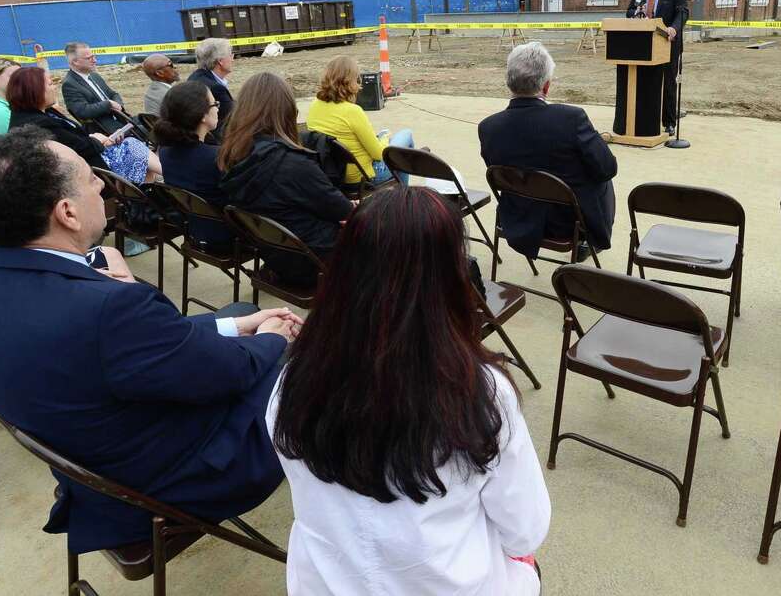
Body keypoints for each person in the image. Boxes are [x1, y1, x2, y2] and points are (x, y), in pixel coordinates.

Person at [0, 127, 301, 555]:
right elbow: (232, 372)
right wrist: (272, 336)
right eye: (89, 178)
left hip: (102, 476)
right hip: (173, 482)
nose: (102, 183)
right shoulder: (107, 308)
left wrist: (241, 328)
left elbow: (144, 349)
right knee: (324, 359)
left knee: (233, 316)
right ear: (67, 212)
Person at [269, 187, 550, 595]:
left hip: (325, 584)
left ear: (347, 266)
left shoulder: (293, 378)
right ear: (451, 276)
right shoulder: (483, 394)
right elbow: (525, 531)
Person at [478, 42, 617, 261]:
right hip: (568, 223)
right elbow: (608, 168)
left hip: (518, 219)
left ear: (509, 83)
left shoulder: (487, 128)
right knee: (601, 176)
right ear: (546, 86)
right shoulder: (571, 119)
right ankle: (594, 238)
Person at [219, 72, 353, 285]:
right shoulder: (293, 164)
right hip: (318, 261)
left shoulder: (231, 156)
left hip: (277, 257)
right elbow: (345, 211)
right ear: (287, 110)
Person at [8, 66, 161, 184]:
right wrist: (98, 140)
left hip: (88, 161)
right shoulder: (39, 123)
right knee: (133, 146)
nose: (54, 87)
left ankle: (149, 197)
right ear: (34, 90)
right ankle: (172, 180)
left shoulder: (40, 113)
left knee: (134, 149)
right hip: (91, 173)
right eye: (50, 84)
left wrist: (94, 138)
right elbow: (78, 148)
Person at [306, 55, 415, 185]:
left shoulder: (314, 105)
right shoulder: (353, 111)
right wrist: (385, 139)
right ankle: (403, 198)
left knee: (386, 141)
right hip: (362, 176)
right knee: (405, 139)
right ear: (352, 80)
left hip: (330, 172)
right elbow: (379, 155)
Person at [153, 80, 232, 249]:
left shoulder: (166, 151)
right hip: (228, 239)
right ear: (202, 115)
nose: (218, 108)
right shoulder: (216, 157)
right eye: (214, 104)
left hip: (193, 231)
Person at [623, 0, 689, 136]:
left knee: (668, 82)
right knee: (645, 82)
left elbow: (682, 12)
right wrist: (636, 13)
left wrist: (674, 29)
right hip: (643, 43)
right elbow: (628, 11)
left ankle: (669, 122)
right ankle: (644, 119)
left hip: (668, 42)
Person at [61, 41, 136, 135]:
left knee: (150, 123)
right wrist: (108, 104)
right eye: (89, 58)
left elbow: (113, 94)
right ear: (75, 62)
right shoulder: (69, 84)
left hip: (122, 120)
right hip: (105, 131)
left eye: (94, 56)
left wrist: (118, 106)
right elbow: (82, 111)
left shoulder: (94, 75)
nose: (95, 60)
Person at [189, 37, 236, 141]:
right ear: (220, 61)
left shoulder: (197, 76)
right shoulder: (216, 88)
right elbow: (233, 120)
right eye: (231, 55)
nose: (233, 59)